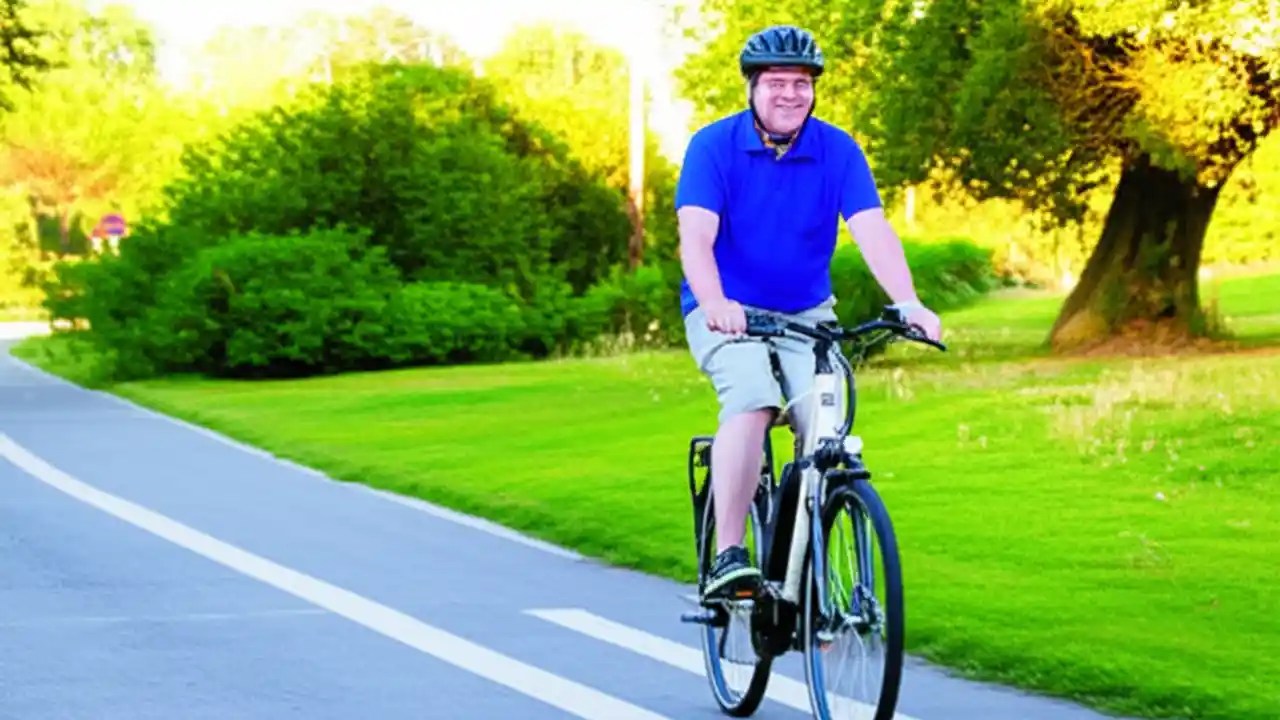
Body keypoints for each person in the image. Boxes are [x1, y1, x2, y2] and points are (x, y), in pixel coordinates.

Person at [675, 24, 943, 601]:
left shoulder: (838, 150)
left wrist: (908, 301)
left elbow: (872, 230)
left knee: (826, 427)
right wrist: (716, 302)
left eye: (801, 83)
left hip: (806, 315)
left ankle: (805, 577)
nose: (790, 94)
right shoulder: (712, 147)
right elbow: (695, 237)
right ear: (752, 87)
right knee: (753, 398)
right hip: (728, 311)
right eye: (777, 82)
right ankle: (729, 555)